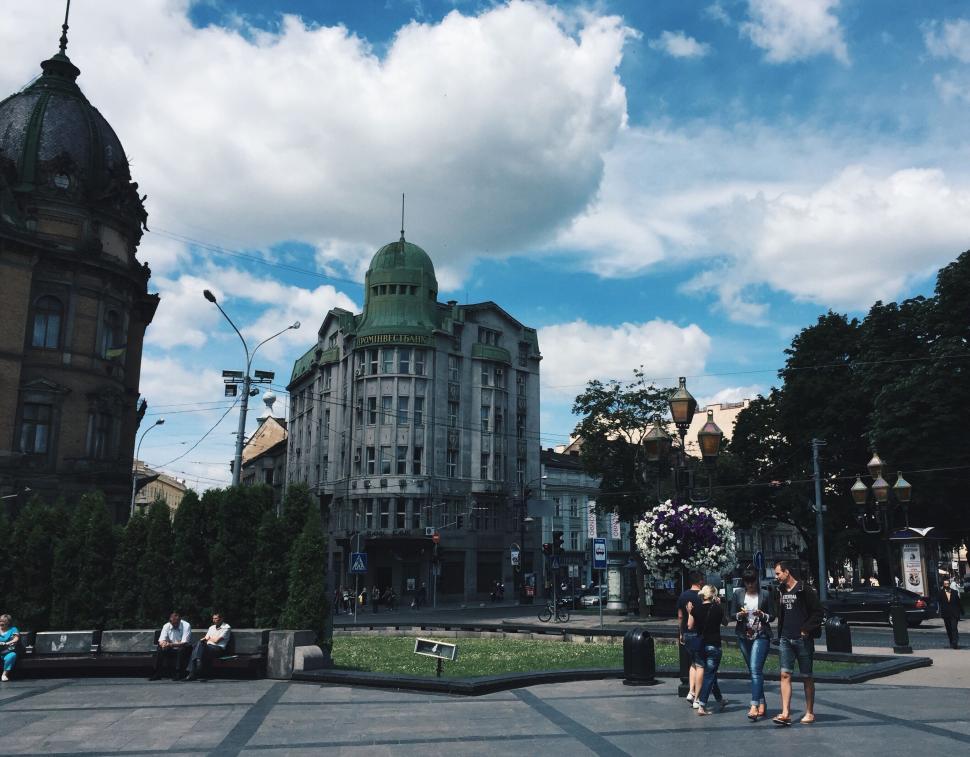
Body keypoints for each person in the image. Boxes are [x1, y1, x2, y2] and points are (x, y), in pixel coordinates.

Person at [773, 560, 824, 725]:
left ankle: (810, 712)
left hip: (802, 638)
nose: (776, 577)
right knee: (785, 674)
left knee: (806, 676)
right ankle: (785, 713)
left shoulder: (805, 590)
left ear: (787, 572)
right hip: (785, 638)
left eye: (778, 573)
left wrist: (805, 629)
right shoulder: (780, 590)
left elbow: (818, 612)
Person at [730, 570, 774, 721]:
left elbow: (772, 616)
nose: (750, 585)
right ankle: (762, 701)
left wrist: (763, 615)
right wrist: (739, 615)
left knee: (755, 670)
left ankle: (754, 705)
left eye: (752, 581)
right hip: (744, 635)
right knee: (753, 670)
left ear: (757, 580)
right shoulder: (738, 594)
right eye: (747, 582)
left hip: (761, 635)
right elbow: (731, 614)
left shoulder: (765, 594)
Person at [687, 585, 729, 715]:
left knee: (711, 674)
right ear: (713, 595)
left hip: (701, 646)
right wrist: (721, 606)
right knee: (710, 675)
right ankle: (702, 705)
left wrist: (689, 612)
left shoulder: (696, 608)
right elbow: (725, 622)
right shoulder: (717, 609)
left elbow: (690, 626)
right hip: (714, 645)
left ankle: (720, 699)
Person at [677, 570, 705, 705]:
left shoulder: (683, 596)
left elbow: (680, 616)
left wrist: (680, 633)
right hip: (698, 632)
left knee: (693, 663)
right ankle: (697, 698)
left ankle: (691, 691)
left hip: (686, 633)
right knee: (700, 665)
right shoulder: (702, 596)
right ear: (700, 581)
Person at [185, 612, 231, 681]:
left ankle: (192, 673)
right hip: (208, 647)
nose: (214, 620)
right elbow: (205, 638)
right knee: (198, 644)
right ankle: (198, 661)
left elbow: (216, 641)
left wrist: (208, 638)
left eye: (216, 618)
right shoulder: (211, 627)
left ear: (221, 619)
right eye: (213, 618)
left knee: (197, 648)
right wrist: (200, 641)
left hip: (218, 649)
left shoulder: (226, 627)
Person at [150, 611, 192, 681]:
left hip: (184, 648)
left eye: (176, 623)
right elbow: (161, 639)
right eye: (173, 623)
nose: (175, 625)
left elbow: (184, 642)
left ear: (179, 621)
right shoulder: (166, 626)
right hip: (170, 647)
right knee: (160, 649)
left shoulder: (186, 625)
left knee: (182, 649)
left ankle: (178, 673)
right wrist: (163, 644)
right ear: (170, 621)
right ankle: (157, 673)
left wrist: (170, 644)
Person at [938, 578, 963, 649]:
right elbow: (939, 602)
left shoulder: (954, 592)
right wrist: (938, 611)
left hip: (954, 613)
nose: (947, 585)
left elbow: (958, 602)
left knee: (954, 628)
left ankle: (955, 643)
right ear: (943, 585)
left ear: (949, 584)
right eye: (945, 584)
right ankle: (951, 641)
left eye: (948, 584)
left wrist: (961, 611)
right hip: (946, 614)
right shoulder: (940, 593)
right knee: (949, 629)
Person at [0, 614, 20, 682]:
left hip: (8, 651)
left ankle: (4, 674)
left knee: (12, 656)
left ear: (8, 623)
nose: (1, 623)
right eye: (0, 621)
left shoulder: (13, 629)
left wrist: (7, 643)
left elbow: (16, 639)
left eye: (3, 622)